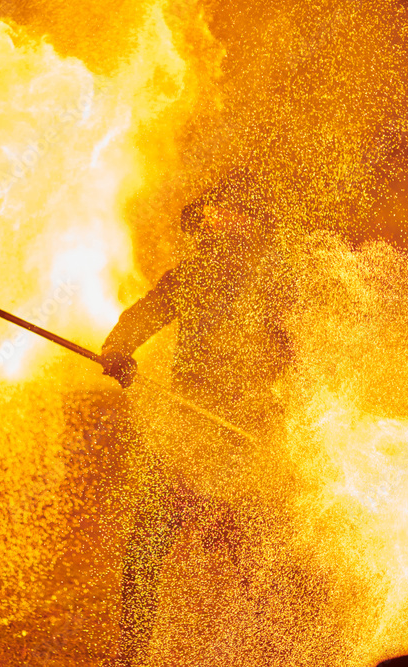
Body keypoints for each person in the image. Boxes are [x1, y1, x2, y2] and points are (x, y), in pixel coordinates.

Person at [98, 168, 288, 666]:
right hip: (188, 434)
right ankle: (133, 655)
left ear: (253, 224)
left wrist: (282, 420)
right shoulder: (195, 275)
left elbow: (304, 362)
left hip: (249, 438)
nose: (216, 228)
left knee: (253, 559)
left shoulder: (279, 285)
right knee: (145, 547)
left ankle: (263, 653)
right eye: (212, 218)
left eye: (230, 218)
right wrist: (118, 349)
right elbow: (143, 316)